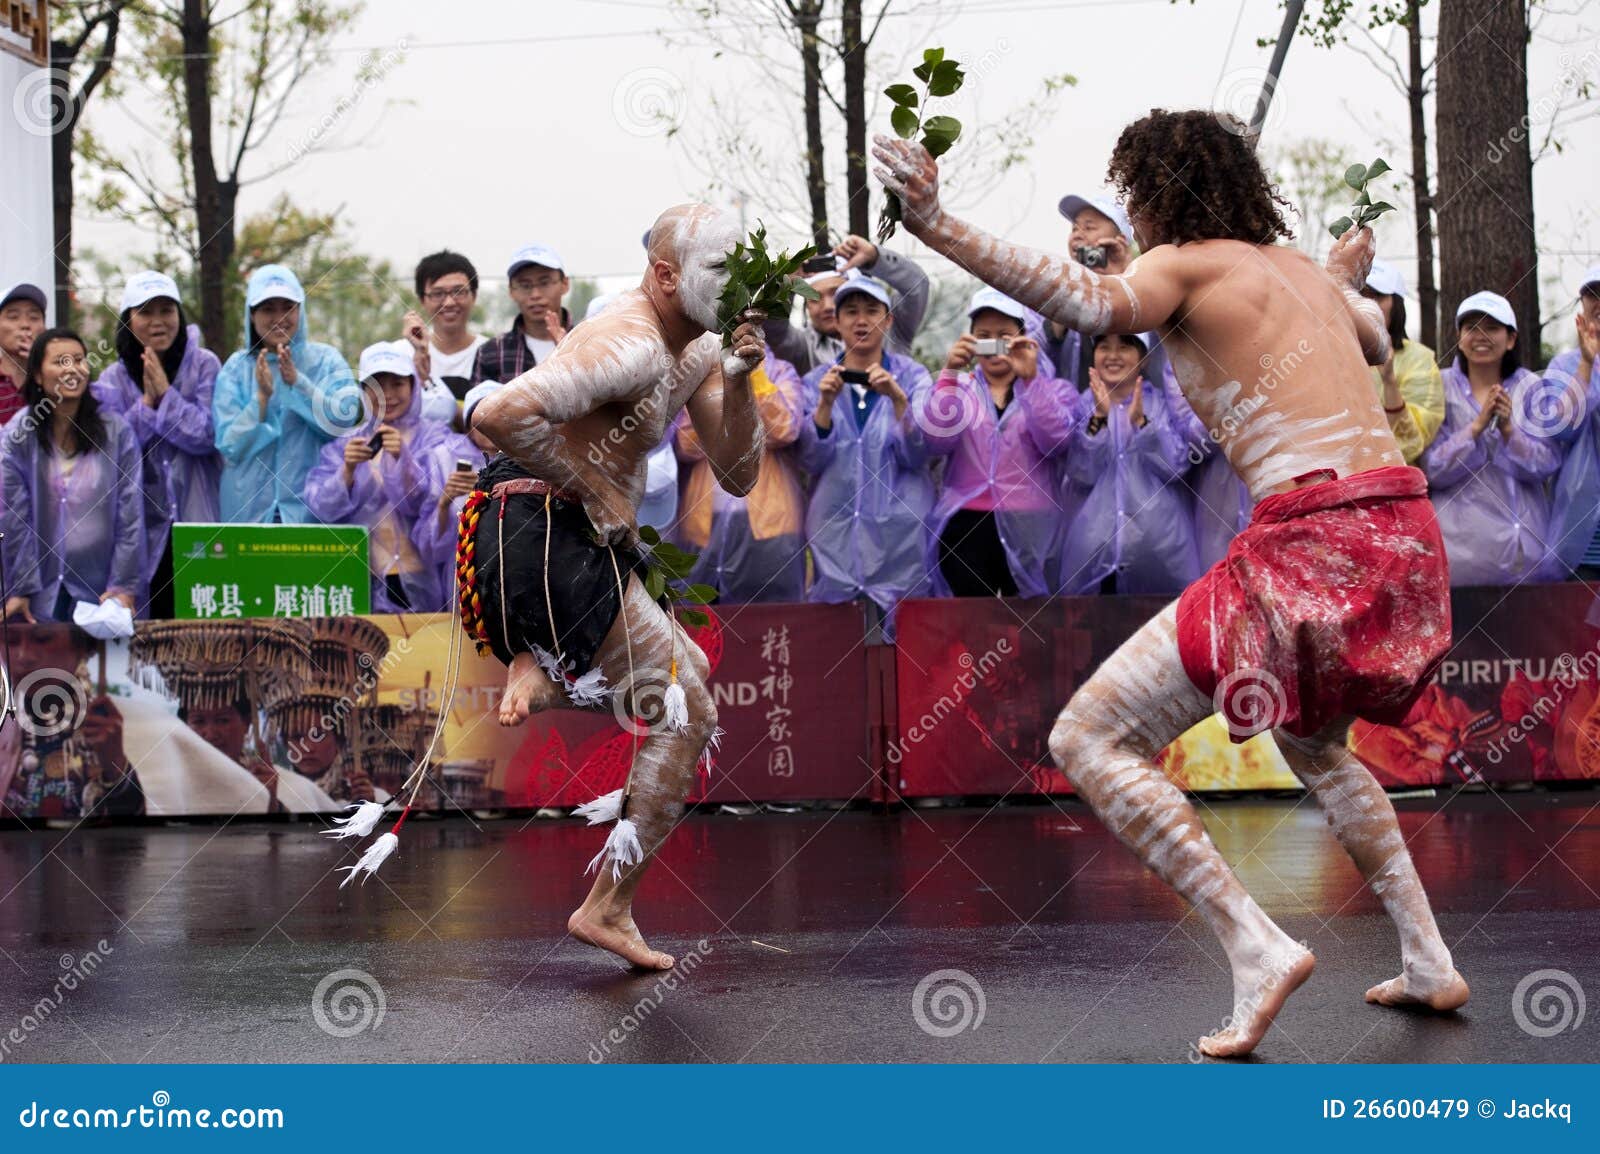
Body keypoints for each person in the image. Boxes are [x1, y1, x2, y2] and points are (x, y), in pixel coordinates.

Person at [875, 108, 1465, 1058]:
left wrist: (938, 223)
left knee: (1090, 735)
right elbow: (1371, 342)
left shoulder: (1183, 268)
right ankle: (1429, 958)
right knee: (1315, 746)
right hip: (1404, 533)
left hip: (1314, 540)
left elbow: (1084, 302)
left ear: (1152, 197)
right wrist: (1336, 279)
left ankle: (1257, 946)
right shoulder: (1305, 274)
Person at [470, 202, 766, 971]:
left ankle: (540, 672)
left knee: (689, 678)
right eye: (720, 273)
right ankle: (606, 906)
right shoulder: (630, 342)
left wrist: (738, 383)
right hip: (542, 529)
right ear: (666, 275)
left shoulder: (697, 348)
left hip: (582, 540)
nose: (737, 289)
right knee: (687, 706)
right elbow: (500, 415)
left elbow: (737, 475)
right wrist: (594, 490)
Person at [794, 272, 935, 632]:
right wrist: (824, 406)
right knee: (840, 644)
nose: (861, 320)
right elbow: (810, 460)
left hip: (901, 534)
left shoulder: (914, 377)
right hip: (835, 533)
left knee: (909, 642)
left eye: (872, 311)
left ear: (887, 320)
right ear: (836, 322)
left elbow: (921, 452)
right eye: (851, 311)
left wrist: (898, 399)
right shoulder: (815, 383)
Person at [924, 288, 1073, 598]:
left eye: (1004, 336)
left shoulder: (1054, 389)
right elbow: (935, 441)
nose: (994, 348)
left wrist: (1032, 382)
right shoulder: (959, 388)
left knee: (1028, 625)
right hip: (966, 525)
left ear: (1023, 338)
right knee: (971, 626)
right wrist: (949, 373)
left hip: (1032, 525)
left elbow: (1057, 441)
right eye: (984, 336)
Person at [91, 271, 222, 619]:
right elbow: (115, 454)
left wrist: (167, 395)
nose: (158, 322)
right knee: (152, 634)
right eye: (145, 312)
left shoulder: (205, 365)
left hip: (198, 521)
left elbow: (208, 435)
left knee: (204, 628)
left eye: (167, 310)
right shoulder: (111, 380)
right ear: (128, 320)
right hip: (141, 529)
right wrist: (147, 406)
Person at [2, 329, 144, 624]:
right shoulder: (18, 435)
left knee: (97, 670)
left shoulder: (116, 432)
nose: (72, 369)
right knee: (46, 670)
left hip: (103, 589)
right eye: (60, 361)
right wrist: (23, 586)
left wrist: (124, 585)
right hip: (40, 587)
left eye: (78, 360)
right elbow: (13, 516)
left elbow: (130, 514)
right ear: (38, 376)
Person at [1421, 291, 1559, 586]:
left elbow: (1547, 464)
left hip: (1525, 560)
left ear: (1510, 339)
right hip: (1459, 559)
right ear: (1459, 337)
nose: (1480, 336)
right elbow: (1432, 469)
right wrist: (1477, 426)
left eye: (1492, 328)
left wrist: (1509, 430)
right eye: (1471, 327)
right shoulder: (1438, 386)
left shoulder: (1533, 388)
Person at [305, 340, 451, 613]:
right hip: (361, 577)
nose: (388, 395)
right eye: (377, 385)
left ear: (413, 386)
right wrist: (346, 472)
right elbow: (320, 509)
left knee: (424, 651)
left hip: (419, 576)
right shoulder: (344, 446)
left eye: (397, 383)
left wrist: (403, 461)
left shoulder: (434, 439)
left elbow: (440, 506)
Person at [213, 265, 358, 523]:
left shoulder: (327, 361)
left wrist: (299, 383)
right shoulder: (235, 369)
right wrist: (261, 400)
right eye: (268, 308)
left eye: (287, 307)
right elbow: (229, 444)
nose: (279, 317)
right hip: (248, 510)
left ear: (300, 311)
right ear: (252, 315)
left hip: (311, 509)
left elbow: (342, 423)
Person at [1060, 332, 1199, 595]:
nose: (1113, 356)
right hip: (1096, 548)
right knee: (1098, 630)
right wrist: (1099, 419)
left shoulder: (1159, 403)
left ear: (1144, 358)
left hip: (1158, 548)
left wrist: (1142, 424)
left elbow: (1176, 468)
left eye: (1124, 347)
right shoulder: (1083, 404)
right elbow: (1081, 473)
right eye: (1104, 347)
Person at [675, 348, 808, 603]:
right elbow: (685, 444)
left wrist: (753, 374)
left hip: (770, 526)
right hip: (704, 525)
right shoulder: (700, 372)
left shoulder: (780, 371)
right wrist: (716, 392)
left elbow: (783, 429)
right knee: (708, 629)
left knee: (767, 625)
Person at [763, 234, 930, 375]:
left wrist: (874, 258)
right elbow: (772, 330)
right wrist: (782, 284)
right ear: (806, 308)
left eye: (836, 293)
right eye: (814, 298)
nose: (828, 306)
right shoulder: (801, 348)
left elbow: (916, 285)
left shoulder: (891, 331)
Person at [412, 381, 496, 611]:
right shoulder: (443, 457)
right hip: (462, 574)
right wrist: (444, 502)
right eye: (479, 416)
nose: (487, 424)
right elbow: (428, 546)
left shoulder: (527, 459)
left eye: (494, 414)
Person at [1544, 265, 1600, 579]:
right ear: (1583, 313)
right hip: (1583, 543)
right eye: (1593, 295)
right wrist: (1586, 365)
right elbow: (1561, 428)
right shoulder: (1564, 365)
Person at [1362, 259, 1444, 464]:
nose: (1367, 306)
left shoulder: (1419, 359)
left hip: (1395, 485)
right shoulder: (1334, 353)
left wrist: (1390, 382)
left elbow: (1412, 444)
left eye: (1377, 297)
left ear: (1396, 304)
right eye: (1360, 296)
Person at [471, 244, 571, 384]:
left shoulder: (589, 342)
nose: (535, 295)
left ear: (565, 284)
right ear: (511, 291)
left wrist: (571, 358)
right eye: (525, 286)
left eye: (544, 283)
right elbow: (480, 405)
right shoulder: (492, 352)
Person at [404, 249, 488, 406]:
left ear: (474, 295)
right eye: (438, 294)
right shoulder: (401, 354)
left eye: (459, 292)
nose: (449, 303)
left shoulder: (495, 354)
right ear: (422, 299)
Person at [0, 283, 46, 425]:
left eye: (34, 317)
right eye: (13, 317)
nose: (25, 325)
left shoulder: (55, 380)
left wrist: (38, 364)